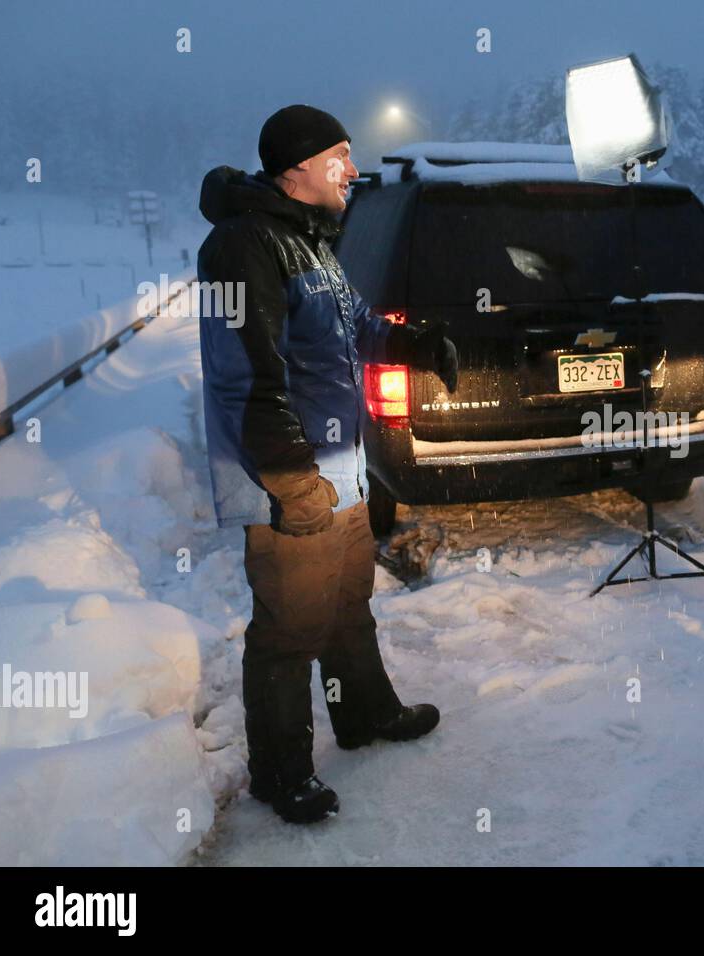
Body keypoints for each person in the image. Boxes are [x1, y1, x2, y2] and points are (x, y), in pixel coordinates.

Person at [196, 105, 459, 824]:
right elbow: (240, 375)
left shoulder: (309, 241)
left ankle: (366, 715)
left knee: (347, 609)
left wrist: (417, 342)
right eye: (339, 153)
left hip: (338, 470)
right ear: (296, 168)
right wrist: (289, 480)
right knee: (287, 631)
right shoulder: (242, 247)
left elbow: (354, 326)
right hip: (292, 481)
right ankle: (279, 775)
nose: (352, 165)